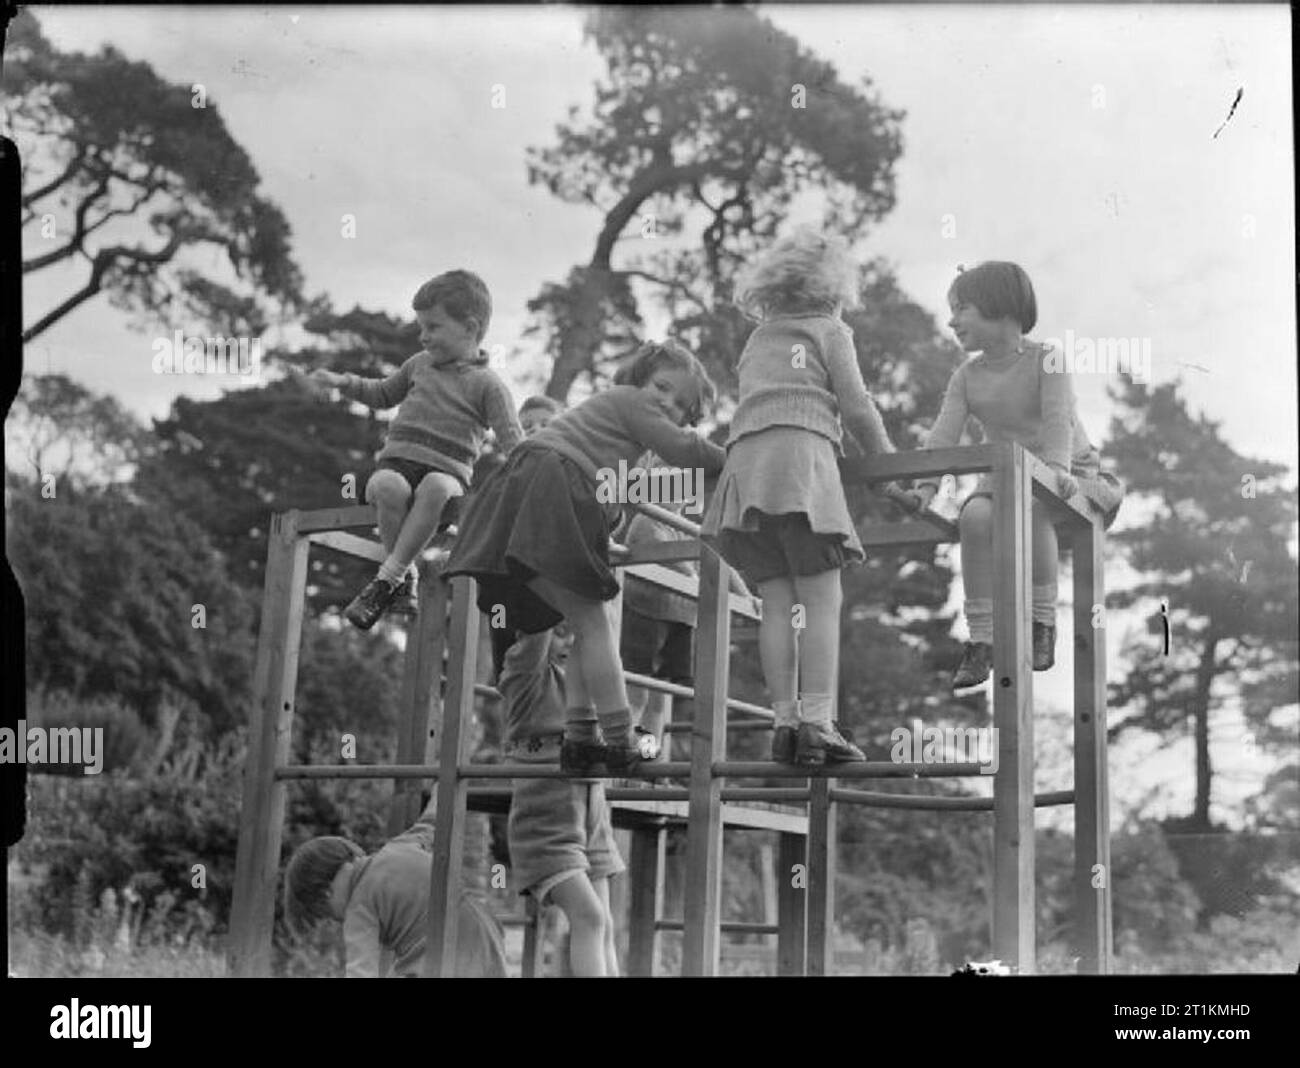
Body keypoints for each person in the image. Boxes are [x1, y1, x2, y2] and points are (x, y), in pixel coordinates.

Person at [443, 339, 726, 773]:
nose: (666, 402)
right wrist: (740, 458)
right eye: (663, 387)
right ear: (640, 380)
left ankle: (580, 735)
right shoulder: (628, 401)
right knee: (594, 623)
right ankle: (619, 738)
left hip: (538, 493)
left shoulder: (629, 446)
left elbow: (635, 496)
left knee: (583, 623)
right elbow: (686, 451)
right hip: (549, 484)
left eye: (682, 404)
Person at [701, 227, 900, 765]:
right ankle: (818, 722)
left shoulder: (760, 337)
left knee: (777, 602)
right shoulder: (829, 330)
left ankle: (784, 722)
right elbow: (857, 406)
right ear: (836, 286)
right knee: (820, 599)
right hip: (797, 463)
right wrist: (886, 466)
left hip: (746, 469)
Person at [898, 261, 1125, 691]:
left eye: (961, 308)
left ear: (999, 307)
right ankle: (981, 638)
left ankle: (1042, 622)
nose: (951, 320)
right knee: (973, 519)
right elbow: (944, 435)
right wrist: (926, 485)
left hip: (1066, 469)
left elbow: (1058, 419)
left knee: (1034, 505)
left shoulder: (1047, 359)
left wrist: (1056, 469)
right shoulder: (967, 376)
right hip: (1005, 474)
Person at [300, 270, 524, 628]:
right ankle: (405, 579)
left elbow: (513, 440)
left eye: (433, 327)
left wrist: (540, 469)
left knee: (435, 486)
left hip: (447, 475)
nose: (423, 337)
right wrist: (342, 382)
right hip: (396, 465)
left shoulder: (488, 385)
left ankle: (387, 579)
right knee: (389, 487)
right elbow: (382, 393)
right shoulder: (418, 366)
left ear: (469, 327)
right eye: (421, 327)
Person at [500, 622, 623, 976]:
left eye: (574, 631)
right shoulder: (525, 678)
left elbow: (600, 631)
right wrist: (557, 581)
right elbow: (537, 626)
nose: (569, 640)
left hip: (591, 813)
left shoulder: (585, 683)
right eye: (560, 632)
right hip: (547, 821)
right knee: (590, 917)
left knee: (605, 924)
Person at [282, 805, 507, 978]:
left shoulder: (358, 907)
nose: (337, 920)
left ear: (326, 893)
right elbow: (432, 820)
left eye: (329, 914)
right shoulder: (399, 846)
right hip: (484, 931)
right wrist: (443, 782)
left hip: (437, 956)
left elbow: (361, 972)